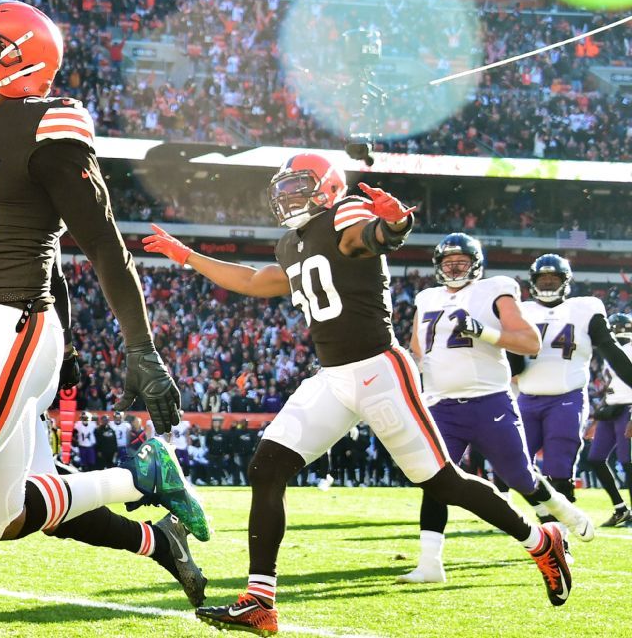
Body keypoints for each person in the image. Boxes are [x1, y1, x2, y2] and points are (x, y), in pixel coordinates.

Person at [146, 152, 576, 635]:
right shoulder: (292, 242)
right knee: (267, 466)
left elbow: (367, 238)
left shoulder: (345, 213)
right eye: (283, 189)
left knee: (442, 482)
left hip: (380, 371)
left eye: (298, 187)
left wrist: (395, 224)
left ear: (328, 187)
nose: (288, 198)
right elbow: (254, 280)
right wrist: (185, 255)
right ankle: (260, 600)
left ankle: (541, 539)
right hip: (332, 377)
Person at [0, 150, 209, 635]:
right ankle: (144, 496)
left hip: (11, 338)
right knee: (5, 514)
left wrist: (62, 353)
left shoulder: (7, 157)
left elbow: (55, 271)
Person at [399, 233, 593, 584]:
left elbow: (530, 341)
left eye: (461, 260)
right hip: (441, 404)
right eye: (447, 261)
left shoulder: (495, 288)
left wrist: (486, 333)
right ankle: (430, 563)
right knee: (435, 479)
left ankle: (567, 514)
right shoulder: (426, 298)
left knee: (519, 476)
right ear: (437, 266)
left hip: (488, 400)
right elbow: (417, 349)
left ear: (475, 262)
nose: (454, 266)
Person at [515, 254, 632, 520]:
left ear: (565, 281)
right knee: (514, 465)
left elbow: (611, 351)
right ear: (532, 281)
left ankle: (560, 534)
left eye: (553, 278)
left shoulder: (584, 308)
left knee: (559, 468)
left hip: (566, 396)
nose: (547, 282)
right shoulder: (521, 310)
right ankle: (546, 514)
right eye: (542, 278)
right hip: (527, 397)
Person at [588, 312, 632, 526]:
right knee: (595, 458)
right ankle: (620, 509)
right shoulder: (610, 351)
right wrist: (596, 418)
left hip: (628, 408)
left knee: (629, 462)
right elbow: (612, 387)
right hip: (611, 410)